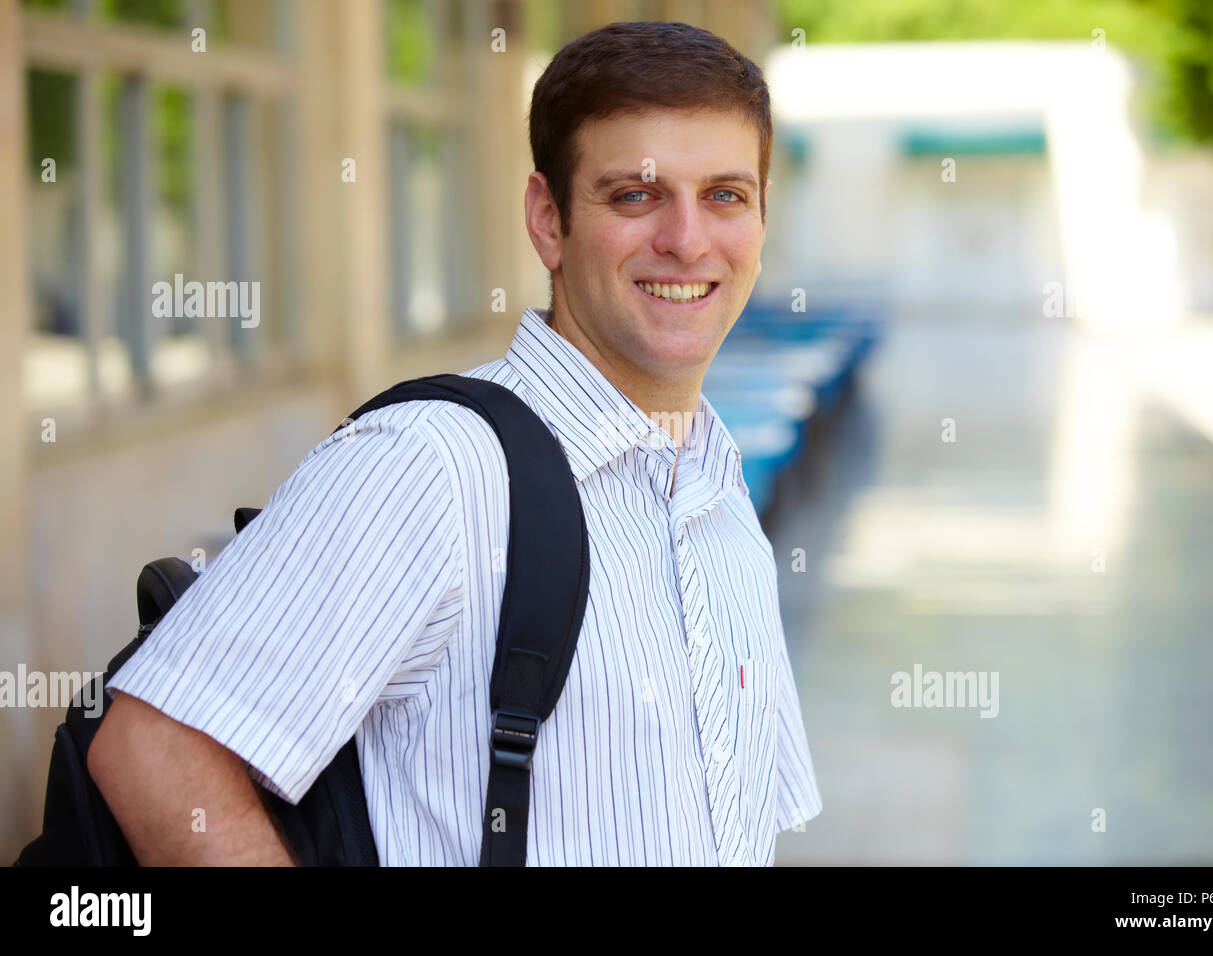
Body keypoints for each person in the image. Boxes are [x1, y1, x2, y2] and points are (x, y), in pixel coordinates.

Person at [90, 19, 821, 866]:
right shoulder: (429, 466)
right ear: (548, 221)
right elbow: (155, 749)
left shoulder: (719, 494)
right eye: (635, 195)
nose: (688, 240)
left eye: (726, 195)